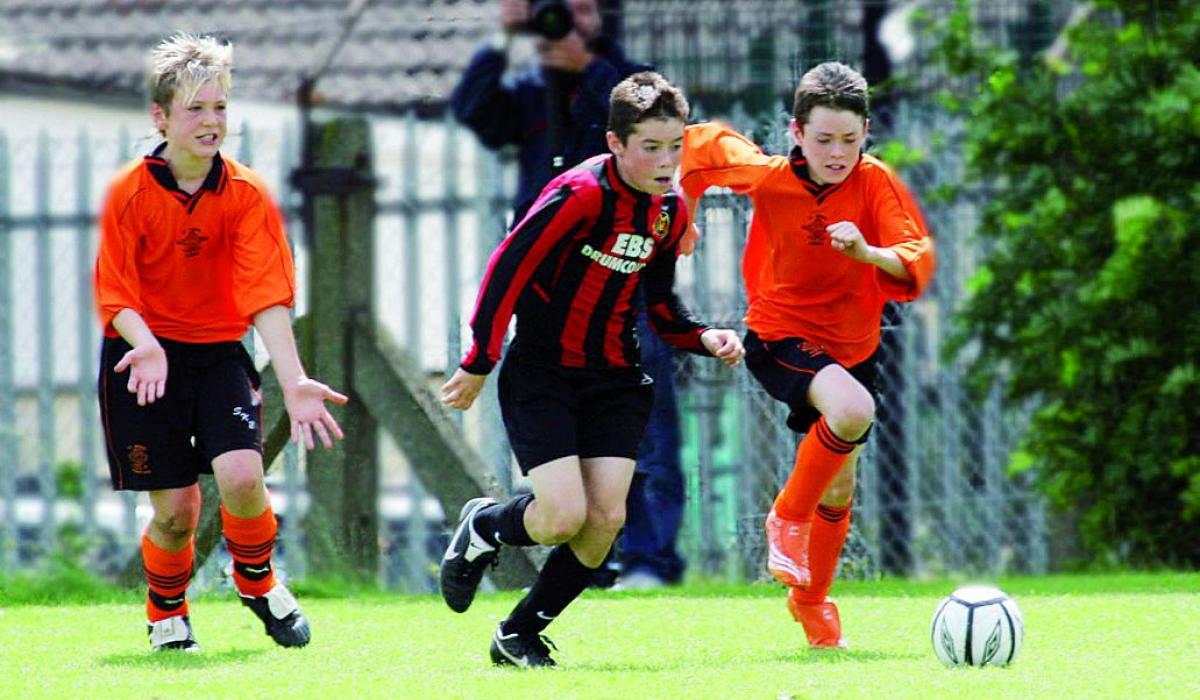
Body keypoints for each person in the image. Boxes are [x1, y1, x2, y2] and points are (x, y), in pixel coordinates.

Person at [438, 72, 744, 668]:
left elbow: (660, 307)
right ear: (616, 143)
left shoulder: (669, 213)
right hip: (544, 373)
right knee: (560, 517)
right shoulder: (580, 194)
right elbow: (508, 269)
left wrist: (705, 335)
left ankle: (518, 634)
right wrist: (479, 361)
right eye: (651, 147)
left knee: (605, 520)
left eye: (675, 146)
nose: (665, 160)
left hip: (617, 377)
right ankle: (485, 528)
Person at [94, 33, 348, 652]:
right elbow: (113, 291)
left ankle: (257, 581)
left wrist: (292, 378)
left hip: (217, 355)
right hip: (140, 358)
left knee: (241, 474)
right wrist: (148, 343)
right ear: (161, 117)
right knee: (177, 513)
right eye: (196, 109)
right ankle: (166, 612)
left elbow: (265, 295)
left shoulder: (247, 194)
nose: (212, 122)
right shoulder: (128, 192)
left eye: (221, 108)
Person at [678, 62, 935, 649]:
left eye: (850, 138)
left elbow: (913, 255)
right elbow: (699, 148)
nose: (837, 151)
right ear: (795, 133)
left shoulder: (875, 182)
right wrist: (683, 221)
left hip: (853, 344)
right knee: (851, 411)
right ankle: (786, 517)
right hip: (779, 332)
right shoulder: (769, 177)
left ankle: (813, 605)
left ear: (866, 131)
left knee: (841, 488)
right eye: (823, 139)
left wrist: (868, 251)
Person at [451, 0, 686, 588]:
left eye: (580, 8)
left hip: (627, 287)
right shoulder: (530, 85)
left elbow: (661, 149)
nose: (566, 20)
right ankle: (585, 553)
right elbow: (473, 111)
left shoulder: (628, 82)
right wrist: (502, 40)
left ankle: (649, 559)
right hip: (557, 294)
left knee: (646, 430)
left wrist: (588, 63)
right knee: (567, 489)